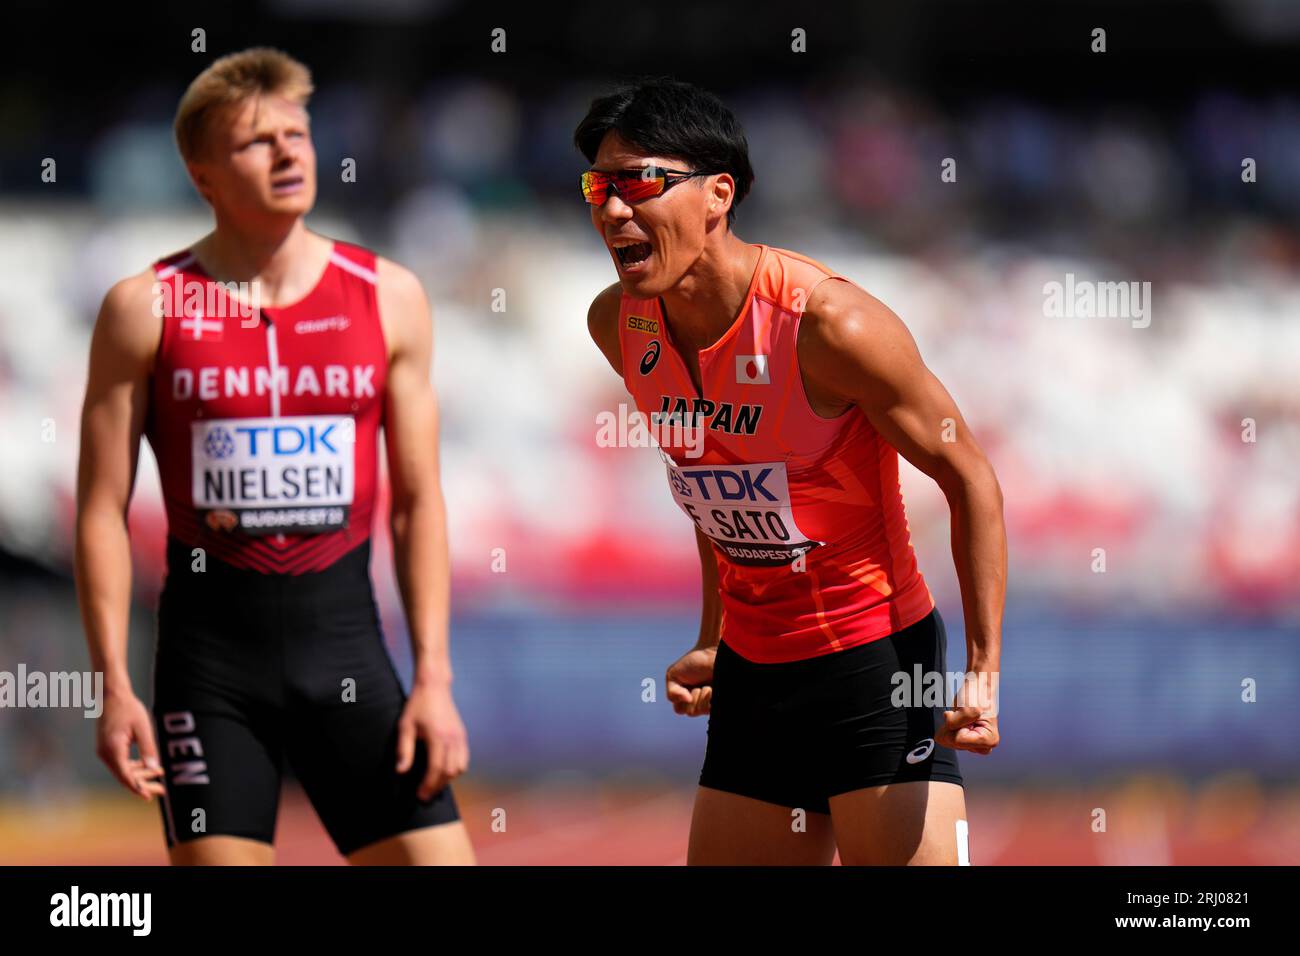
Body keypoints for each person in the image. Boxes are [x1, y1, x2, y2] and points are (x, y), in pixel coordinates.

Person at [576, 79, 1005, 865]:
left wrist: (983, 671)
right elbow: (714, 485)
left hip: (876, 667)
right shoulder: (619, 324)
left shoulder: (830, 326)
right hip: (754, 677)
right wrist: (713, 635)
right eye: (599, 186)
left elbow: (970, 475)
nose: (612, 210)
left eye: (639, 183)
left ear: (718, 194)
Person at [74, 47, 474, 865]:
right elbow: (100, 510)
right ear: (203, 175)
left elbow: (417, 501)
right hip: (211, 680)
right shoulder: (144, 309)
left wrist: (433, 677)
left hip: (350, 667)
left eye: (298, 133)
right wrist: (112, 686)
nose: (289, 153)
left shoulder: (387, 295)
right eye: (258, 141)